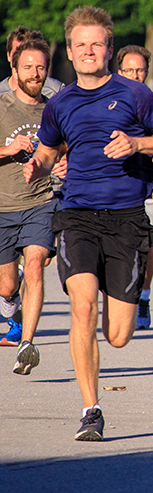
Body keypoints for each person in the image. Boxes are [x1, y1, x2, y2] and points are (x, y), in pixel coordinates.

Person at [23, 7, 153, 440]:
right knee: (83, 307)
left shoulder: (135, 94)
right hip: (76, 215)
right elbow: (48, 149)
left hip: (127, 220)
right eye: (81, 45)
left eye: (97, 44)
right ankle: (90, 409)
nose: (89, 51)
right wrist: (39, 164)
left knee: (118, 335)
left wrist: (137, 143)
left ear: (109, 50)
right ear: (70, 52)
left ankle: (114, 331)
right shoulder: (60, 103)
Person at [0, 34, 55, 374]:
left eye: (41, 68)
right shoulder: (2, 106)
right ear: (15, 69)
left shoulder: (55, 109)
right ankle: (12, 299)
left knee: (35, 266)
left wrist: (63, 161)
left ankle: (27, 344)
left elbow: (67, 147)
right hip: (2, 206)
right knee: (6, 285)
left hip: (40, 202)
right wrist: (9, 149)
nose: (35, 73)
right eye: (28, 67)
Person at [115, 46, 153, 331]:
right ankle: (119, 300)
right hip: (116, 186)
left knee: (148, 243)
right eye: (129, 70)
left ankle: (143, 296)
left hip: (148, 186)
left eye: (140, 70)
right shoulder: (108, 101)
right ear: (119, 71)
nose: (135, 75)